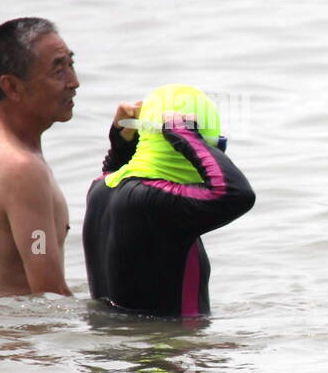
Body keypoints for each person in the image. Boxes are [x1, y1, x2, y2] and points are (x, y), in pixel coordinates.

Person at [83, 84, 255, 317]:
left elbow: (119, 171)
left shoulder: (101, 189)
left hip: (110, 348)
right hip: (169, 350)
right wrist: (187, 136)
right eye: (215, 147)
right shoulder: (157, 204)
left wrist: (121, 140)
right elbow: (235, 194)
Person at [0, 17, 79, 298]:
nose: (74, 82)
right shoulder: (22, 169)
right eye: (58, 71)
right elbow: (50, 296)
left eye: (70, 64)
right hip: (18, 340)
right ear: (12, 87)